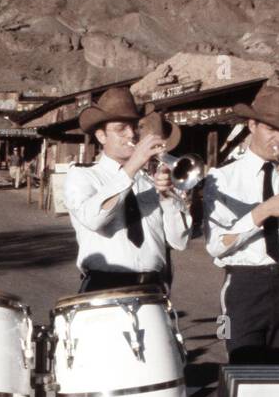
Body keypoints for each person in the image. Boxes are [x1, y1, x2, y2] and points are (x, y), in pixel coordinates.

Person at [203, 85, 279, 364]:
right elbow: (216, 246)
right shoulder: (223, 177)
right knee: (241, 370)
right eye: (271, 129)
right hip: (243, 286)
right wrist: (261, 213)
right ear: (252, 125)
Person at [64, 88, 190, 293]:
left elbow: (180, 241)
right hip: (104, 286)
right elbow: (94, 219)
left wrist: (167, 197)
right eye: (121, 128)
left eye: (133, 127)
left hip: (152, 289)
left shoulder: (149, 182)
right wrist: (132, 166)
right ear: (101, 136)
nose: (131, 134)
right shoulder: (82, 176)